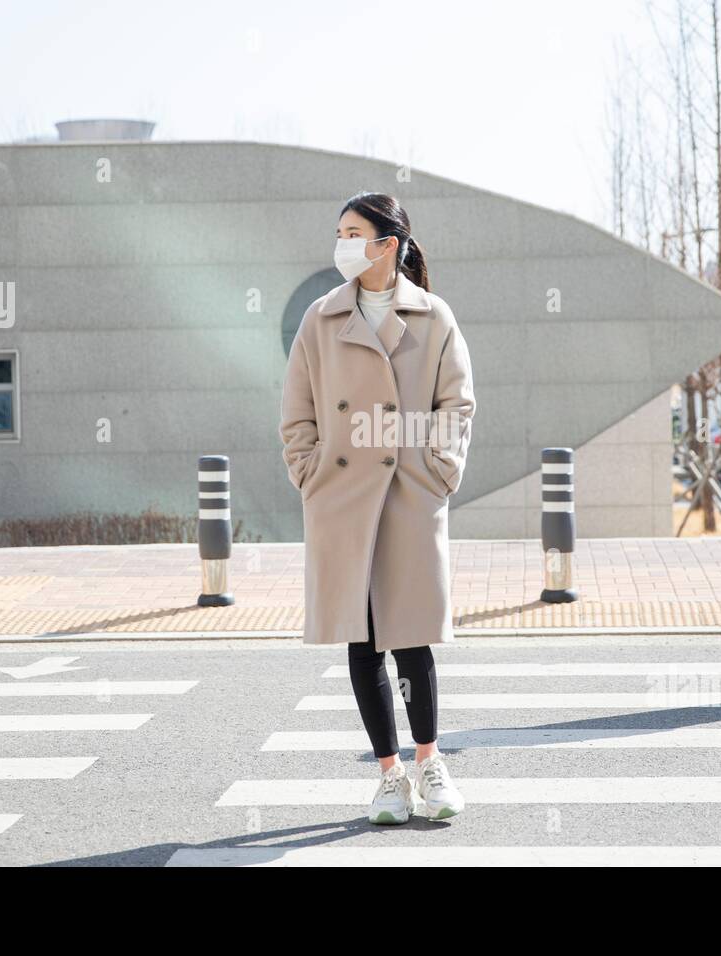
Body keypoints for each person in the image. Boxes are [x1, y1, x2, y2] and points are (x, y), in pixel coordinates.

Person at [278, 191, 476, 822]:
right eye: (339, 231)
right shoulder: (320, 317)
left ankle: (430, 762)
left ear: (388, 244)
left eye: (354, 231)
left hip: (408, 497)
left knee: (411, 635)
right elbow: (297, 412)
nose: (342, 242)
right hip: (343, 499)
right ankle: (388, 774)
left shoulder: (433, 316)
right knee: (362, 641)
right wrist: (311, 474)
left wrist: (437, 474)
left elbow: (457, 404)